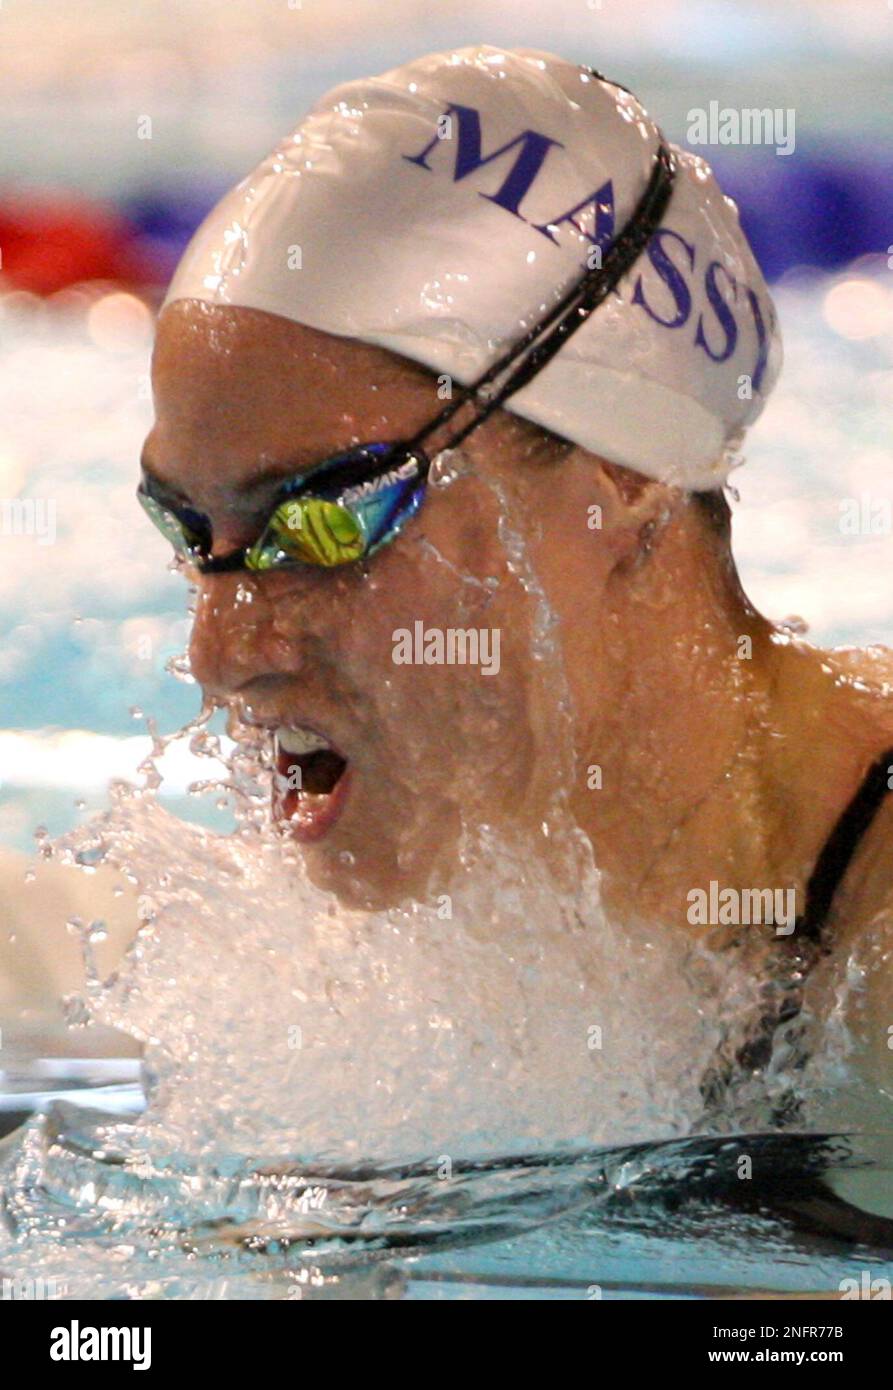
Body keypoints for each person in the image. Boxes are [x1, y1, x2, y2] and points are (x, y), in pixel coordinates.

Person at [140, 47, 892, 1093]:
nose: (220, 651)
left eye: (325, 519)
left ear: (623, 475)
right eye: (186, 528)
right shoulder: (378, 957)